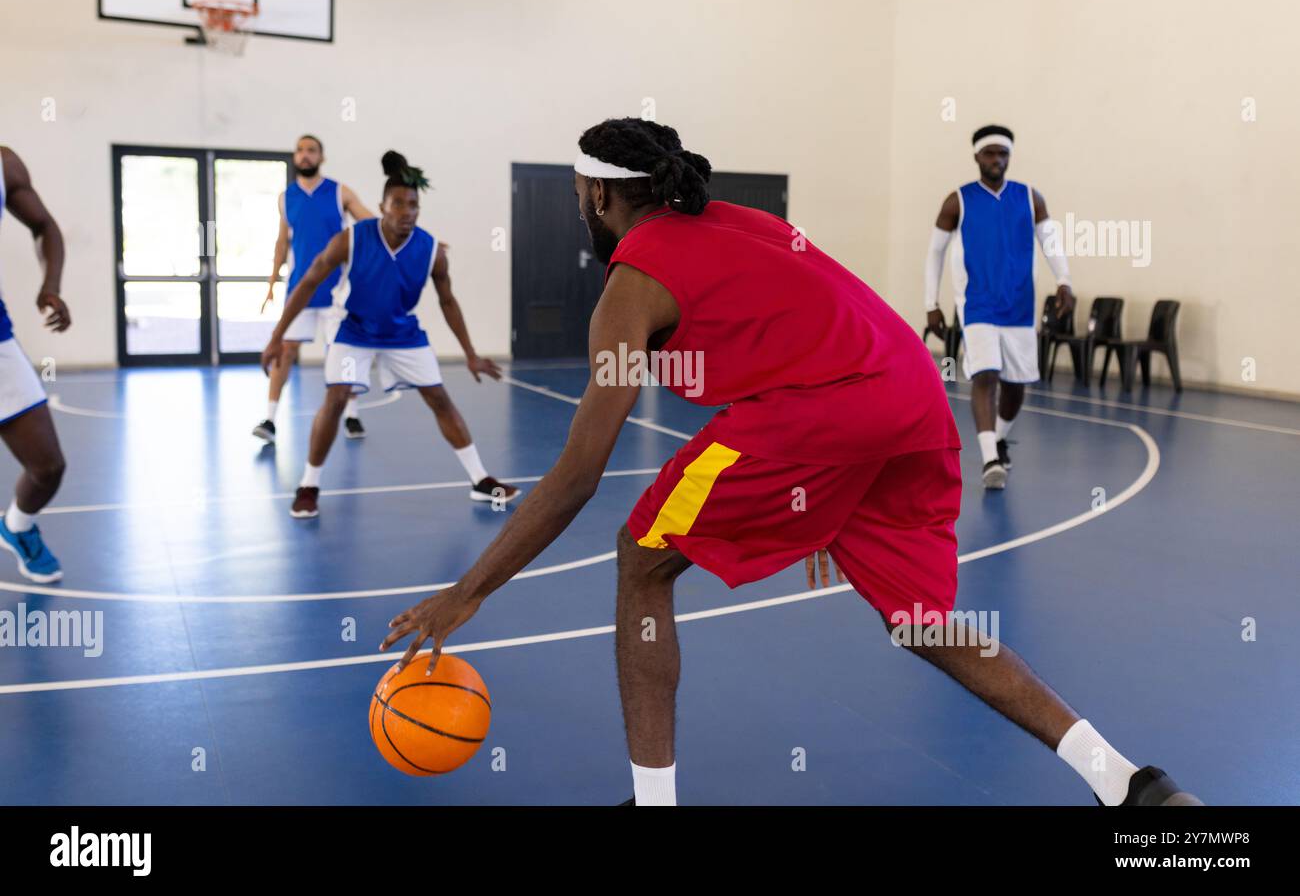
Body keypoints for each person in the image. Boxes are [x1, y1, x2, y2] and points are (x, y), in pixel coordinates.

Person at [380, 118, 1198, 808]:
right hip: (909, 394)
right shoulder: (740, 223)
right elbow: (807, 323)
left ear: (599, 195)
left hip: (831, 407)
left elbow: (579, 471)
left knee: (642, 557)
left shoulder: (629, 285)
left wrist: (468, 590)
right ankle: (1128, 781)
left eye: (576, 195)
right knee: (920, 619)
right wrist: (817, 492)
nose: (578, 208)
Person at [261, 151, 519, 518]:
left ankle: (480, 480)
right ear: (382, 207)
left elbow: (448, 301)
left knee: (440, 398)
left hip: (403, 334)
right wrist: (276, 337)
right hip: (355, 331)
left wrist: (470, 353)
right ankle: (308, 485)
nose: (406, 211)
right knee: (336, 398)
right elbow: (307, 283)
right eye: (398, 204)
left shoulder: (430, 250)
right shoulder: (350, 239)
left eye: (413, 205)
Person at [924, 125, 1075, 489]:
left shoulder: (1030, 198)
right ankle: (991, 459)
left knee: (1016, 385)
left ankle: (1000, 437)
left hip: (1020, 306)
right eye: (990, 153)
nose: (997, 160)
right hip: (977, 304)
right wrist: (931, 302)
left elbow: (1050, 242)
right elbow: (935, 253)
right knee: (985, 376)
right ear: (977, 156)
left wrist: (1064, 280)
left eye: (1003, 154)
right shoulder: (957, 201)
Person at [253, 134, 373, 444]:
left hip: (337, 291)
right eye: (301, 150)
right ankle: (269, 418)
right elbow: (283, 242)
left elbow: (371, 225)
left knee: (341, 352)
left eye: (312, 151)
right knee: (285, 349)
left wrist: (408, 237)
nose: (305, 155)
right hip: (299, 292)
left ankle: (351, 415)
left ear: (321, 157)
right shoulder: (285, 198)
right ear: (295, 157)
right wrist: (271, 282)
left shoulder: (339, 192)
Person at [0, 146, 71, 583]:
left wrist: (51, 285)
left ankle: (17, 526)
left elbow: (45, 227)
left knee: (48, 466)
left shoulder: (5, 163)